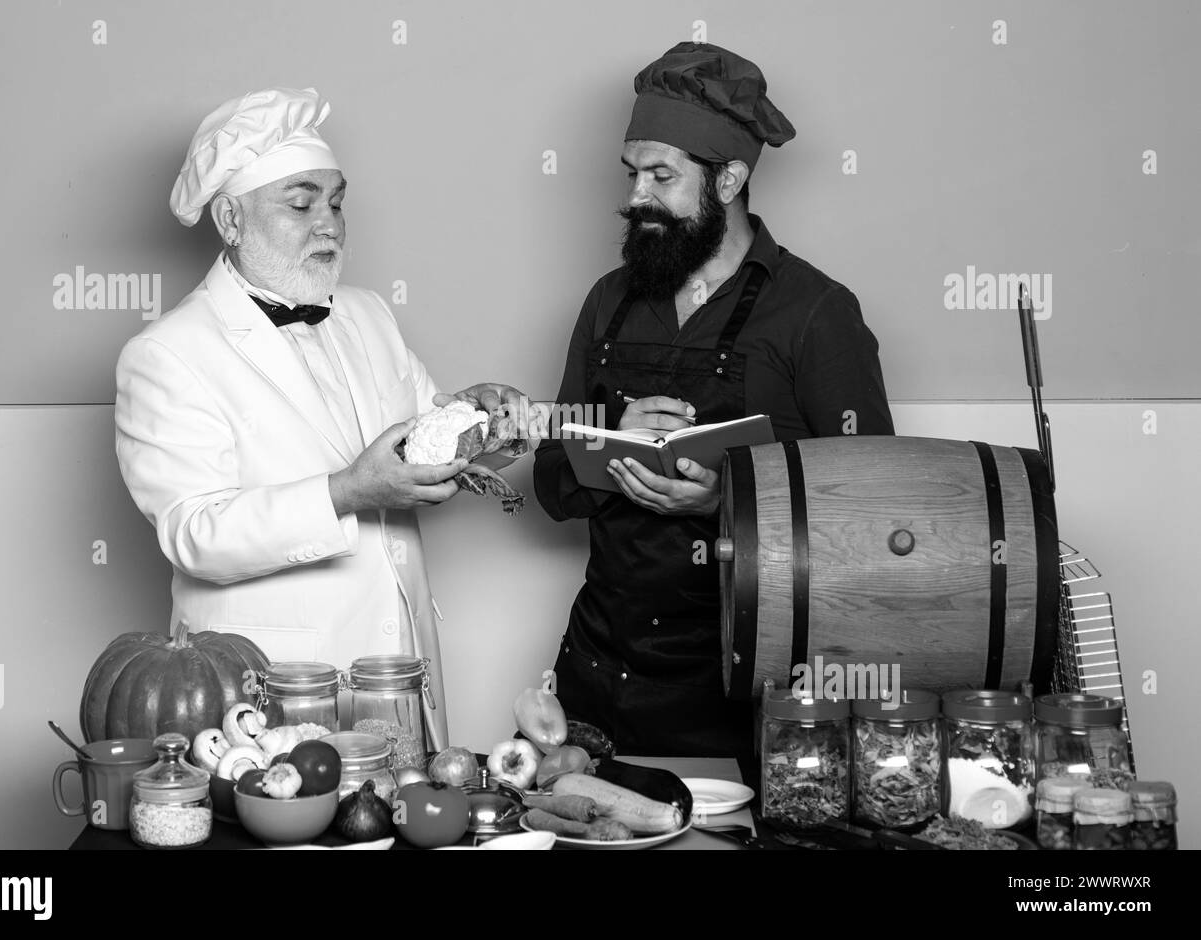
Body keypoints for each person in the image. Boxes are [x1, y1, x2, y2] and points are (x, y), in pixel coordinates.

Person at [116, 87, 526, 749]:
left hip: (402, 672)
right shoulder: (167, 354)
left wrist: (481, 423)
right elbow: (193, 533)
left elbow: (423, 445)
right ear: (230, 218)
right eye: (301, 203)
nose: (329, 224)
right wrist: (344, 493)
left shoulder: (369, 315)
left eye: (336, 202)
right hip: (274, 690)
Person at [534, 45, 895, 758]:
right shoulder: (608, 301)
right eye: (633, 172)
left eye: (662, 176)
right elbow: (550, 486)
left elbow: (873, 521)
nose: (638, 195)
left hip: (751, 692)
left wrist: (724, 505)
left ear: (729, 179)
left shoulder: (817, 314)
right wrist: (605, 438)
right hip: (597, 676)